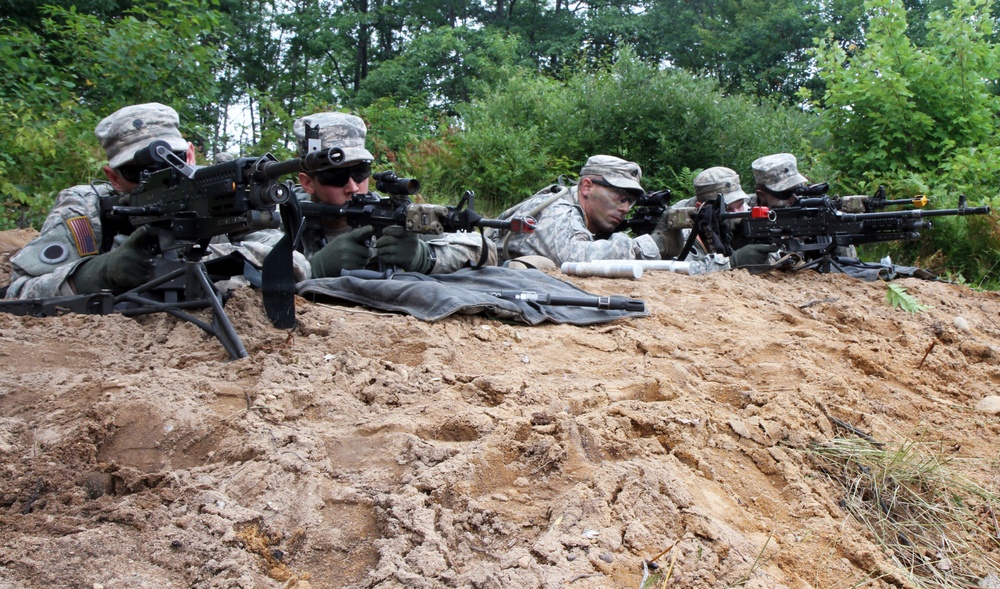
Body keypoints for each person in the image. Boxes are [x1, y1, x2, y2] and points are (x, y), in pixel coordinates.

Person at [4, 102, 308, 300]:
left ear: (190, 155)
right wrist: (98, 273)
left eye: (173, 162)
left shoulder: (219, 193)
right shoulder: (88, 209)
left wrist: (206, 260)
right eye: (138, 171)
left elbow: (295, 264)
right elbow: (16, 293)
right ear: (113, 177)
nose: (159, 177)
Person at [291, 111, 496, 278]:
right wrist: (313, 268)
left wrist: (426, 257)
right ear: (308, 183)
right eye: (336, 176)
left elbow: (485, 251)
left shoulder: (389, 212)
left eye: (360, 172)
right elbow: (261, 258)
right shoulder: (286, 215)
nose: (353, 186)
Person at [485, 155, 678, 268]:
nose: (625, 208)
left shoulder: (582, 214)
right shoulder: (558, 210)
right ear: (586, 187)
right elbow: (576, 259)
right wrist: (654, 244)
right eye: (619, 197)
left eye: (631, 201)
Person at [731, 153, 856, 266]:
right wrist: (736, 258)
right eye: (785, 193)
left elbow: (848, 263)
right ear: (762, 195)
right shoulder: (739, 211)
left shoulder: (810, 212)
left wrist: (830, 240)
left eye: (798, 189)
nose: (794, 198)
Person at [655, 166, 751, 270]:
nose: (736, 214)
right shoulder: (680, 224)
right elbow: (682, 268)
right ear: (700, 207)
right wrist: (733, 261)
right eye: (728, 209)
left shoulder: (746, 213)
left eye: (740, 205)